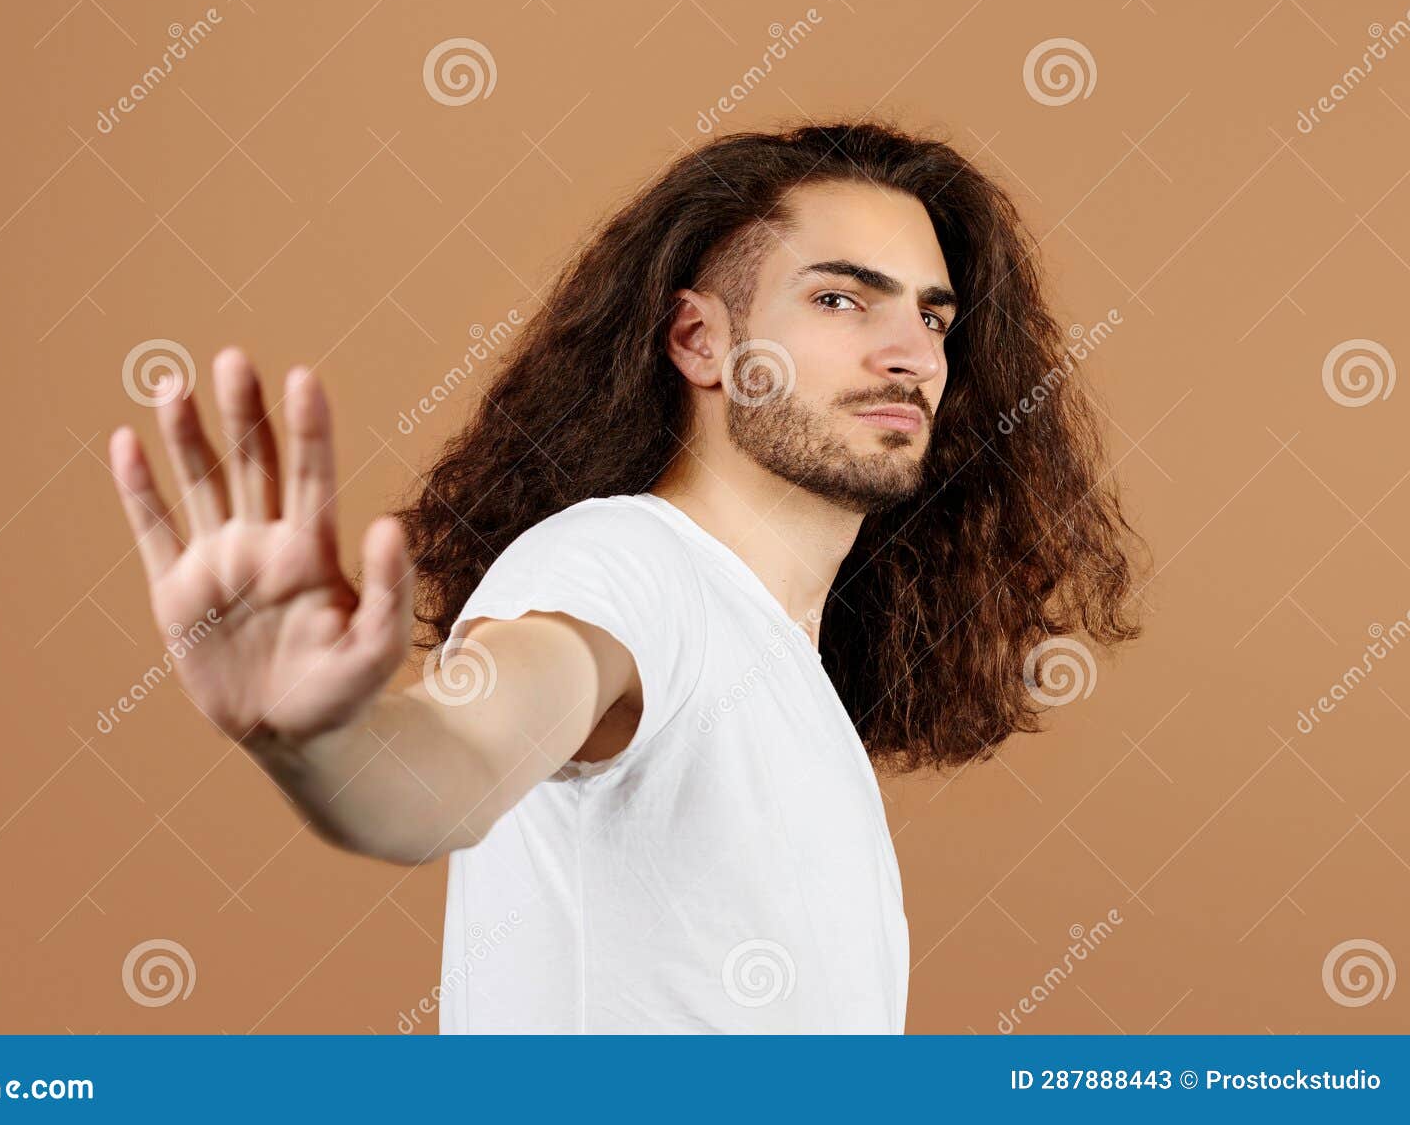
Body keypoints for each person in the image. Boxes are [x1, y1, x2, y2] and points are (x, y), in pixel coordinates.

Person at [105, 120, 1148, 1033]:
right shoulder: (622, 564)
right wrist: (318, 738)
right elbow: (439, 777)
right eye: (840, 299)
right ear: (701, 340)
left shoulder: (786, 672)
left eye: (931, 316)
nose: (909, 353)